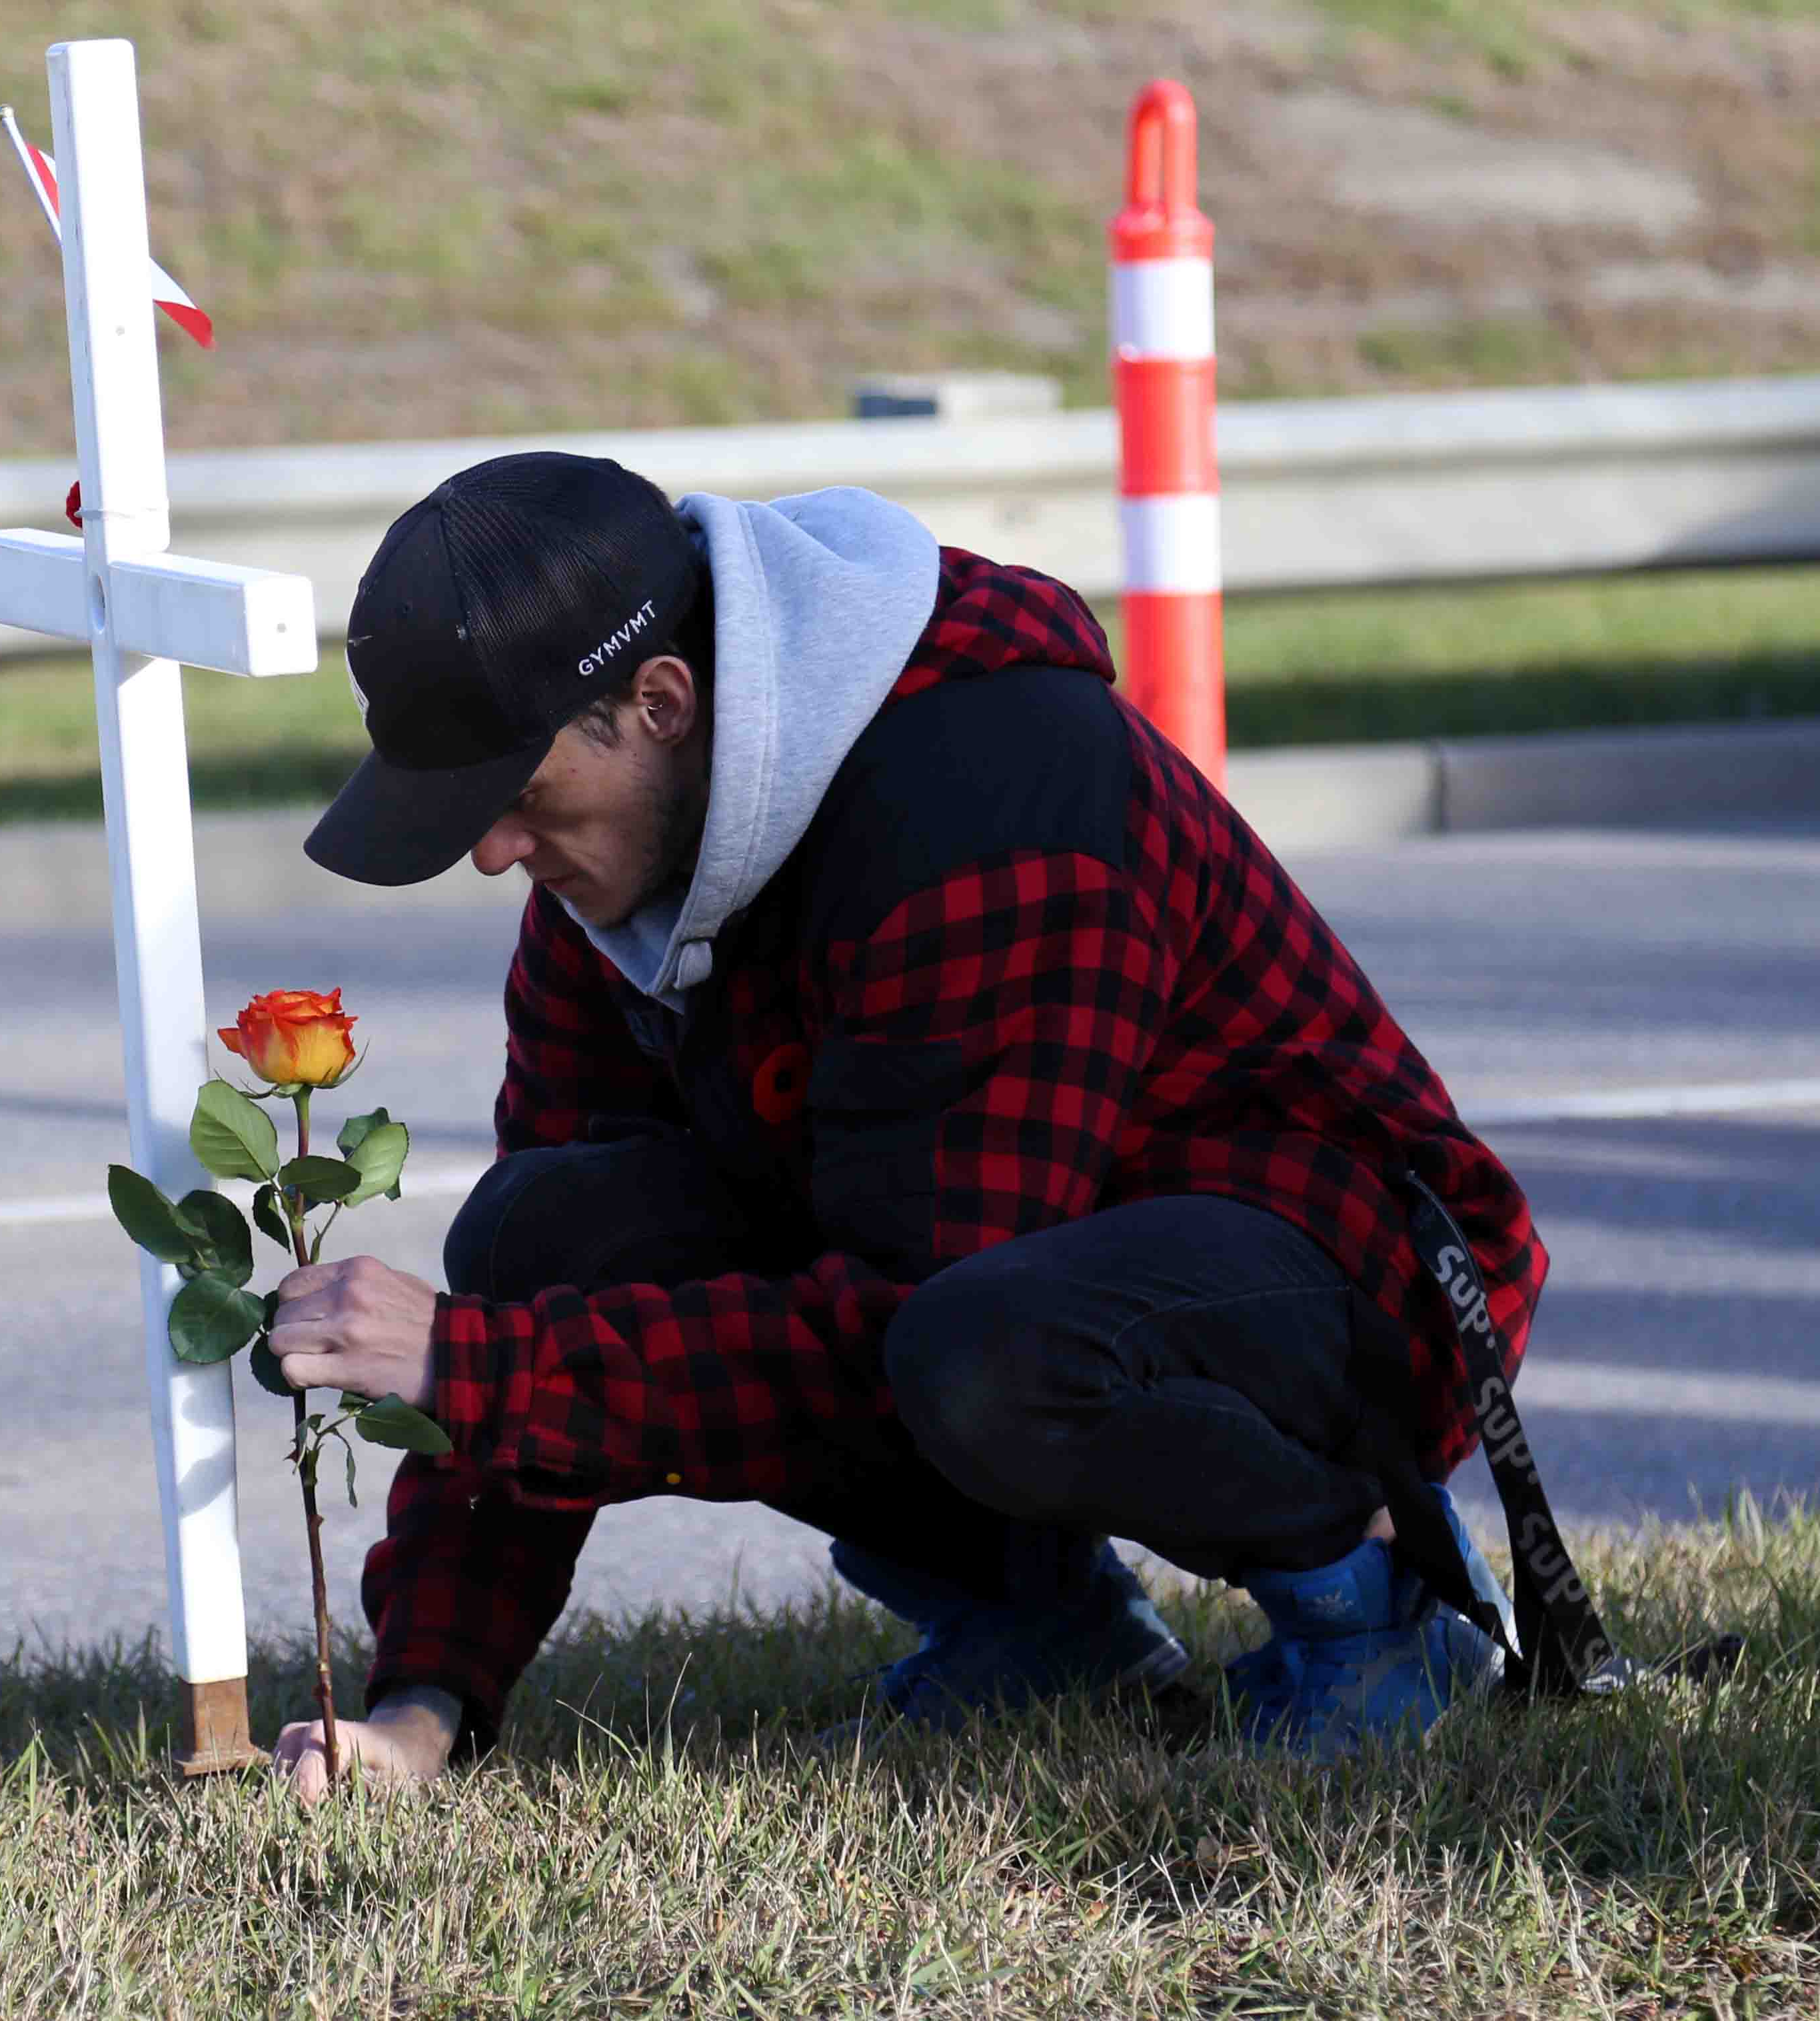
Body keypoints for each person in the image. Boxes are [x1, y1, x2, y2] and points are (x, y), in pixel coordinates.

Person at [260, 449, 1542, 1801]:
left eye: (516, 794)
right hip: (1027, 1266)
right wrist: (423, 1705)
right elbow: (541, 1291)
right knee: (541, 1228)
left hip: (1351, 1275)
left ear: (661, 703)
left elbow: (890, 1331)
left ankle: (1384, 1607)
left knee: (974, 1350)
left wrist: (474, 1362)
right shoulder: (610, 882)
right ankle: (1045, 1630)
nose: (491, 854)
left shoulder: (991, 792)